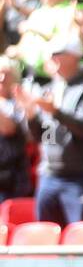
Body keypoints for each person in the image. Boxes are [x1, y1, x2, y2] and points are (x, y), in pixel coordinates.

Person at [21, 40, 83, 225]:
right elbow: (43, 136)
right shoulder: (49, 88)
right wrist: (31, 116)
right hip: (49, 174)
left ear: (74, 56)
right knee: (46, 234)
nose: (53, 59)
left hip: (79, 175)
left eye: (58, 54)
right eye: (51, 55)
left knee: (80, 236)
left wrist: (55, 111)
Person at [0, 58, 32, 206]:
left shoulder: (21, 102)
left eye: (6, 75)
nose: (2, 79)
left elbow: (9, 128)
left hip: (13, 179)